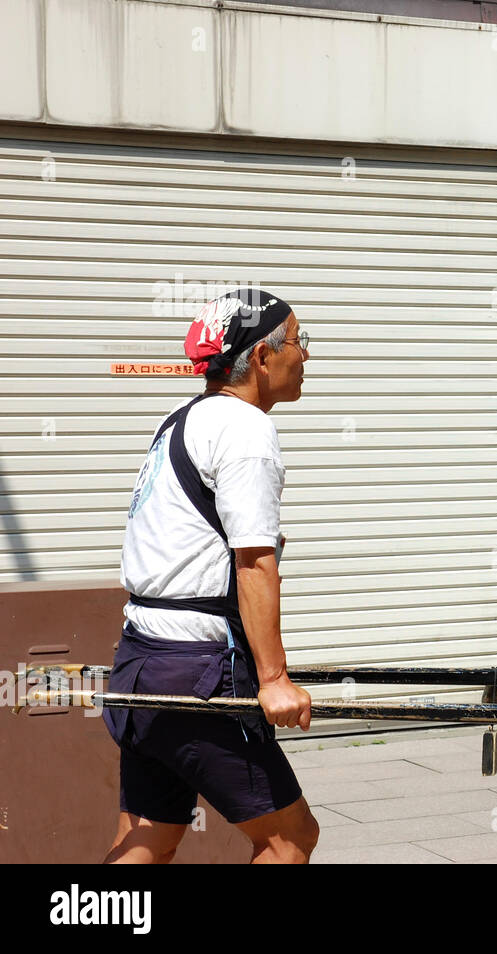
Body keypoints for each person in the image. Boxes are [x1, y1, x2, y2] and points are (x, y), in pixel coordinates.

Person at [103, 288, 319, 864]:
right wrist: (273, 678)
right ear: (260, 357)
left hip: (141, 663)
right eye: (300, 342)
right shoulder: (246, 430)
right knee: (290, 838)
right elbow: (255, 563)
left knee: (148, 838)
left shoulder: (181, 421)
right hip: (197, 672)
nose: (308, 357)